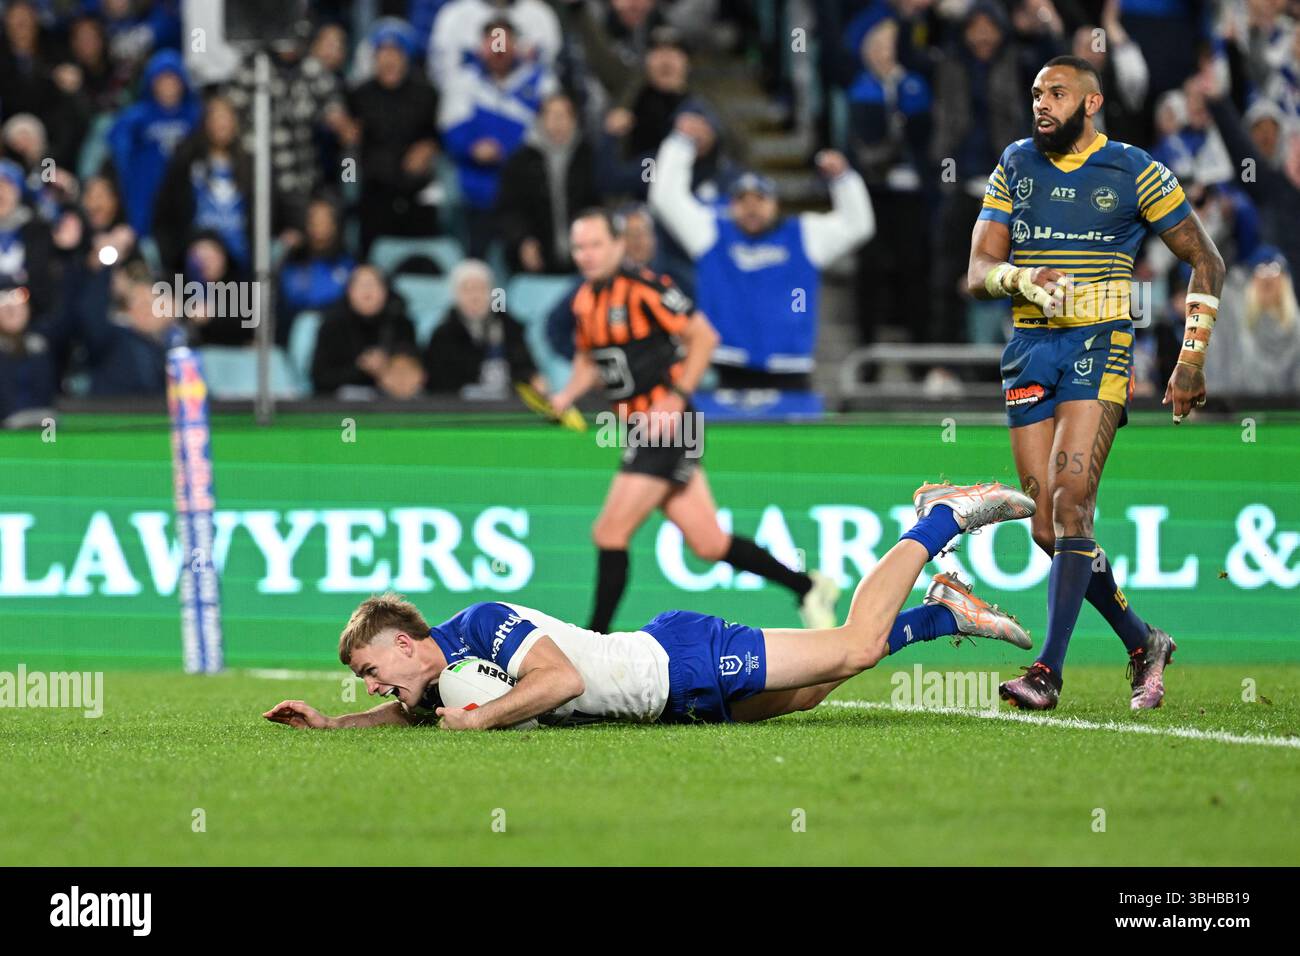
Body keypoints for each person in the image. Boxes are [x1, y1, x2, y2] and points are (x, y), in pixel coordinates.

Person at [263, 480, 1037, 730]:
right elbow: (409, 714)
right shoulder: (433, 677)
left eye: (370, 669)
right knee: (807, 694)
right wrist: (336, 724)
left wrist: (485, 720)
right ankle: (941, 611)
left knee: (853, 645)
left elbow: (560, 681)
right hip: (671, 703)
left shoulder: (484, 625)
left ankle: (940, 515)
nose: (372, 684)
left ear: (404, 643)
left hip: (677, 661)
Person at [966, 56, 1226, 710]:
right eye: (1035, 93)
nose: (1041, 104)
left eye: (1056, 93)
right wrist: (1024, 280)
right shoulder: (1015, 164)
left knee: (1071, 501)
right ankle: (1143, 641)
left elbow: (1206, 260)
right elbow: (978, 269)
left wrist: (1190, 358)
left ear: (1091, 102)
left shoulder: (1135, 169)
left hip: (1099, 343)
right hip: (1029, 349)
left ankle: (1047, 673)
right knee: (1048, 529)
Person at [547, 207, 841, 634]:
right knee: (709, 543)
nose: (586, 254)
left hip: (670, 426)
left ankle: (592, 642)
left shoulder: (646, 287)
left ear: (617, 245)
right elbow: (591, 362)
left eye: (595, 244)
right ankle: (808, 586)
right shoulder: (584, 299)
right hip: (642, 428)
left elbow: (704, 336)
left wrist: (676, 396)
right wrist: (565, 397)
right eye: (578, 246)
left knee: (609, 531)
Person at [649, 118, 873, 388]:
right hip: (723, 362)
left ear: (775, 203)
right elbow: (665, 198)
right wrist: (681, 144)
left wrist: (843, 180)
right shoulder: (711, 233)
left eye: (760, 199)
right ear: (731, 205)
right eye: (742, 200)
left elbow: (859, 225)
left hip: (789, 365)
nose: (751, 208)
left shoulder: (803, 234)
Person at [423, 258, 544, 396]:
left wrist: (533, 379)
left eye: (481, 289)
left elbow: (525, 367)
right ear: (456, 295)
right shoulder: (443, 334)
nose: (475, 297)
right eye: (467, 290)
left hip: (507, 403)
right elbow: (438, 384)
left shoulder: (510, 327)